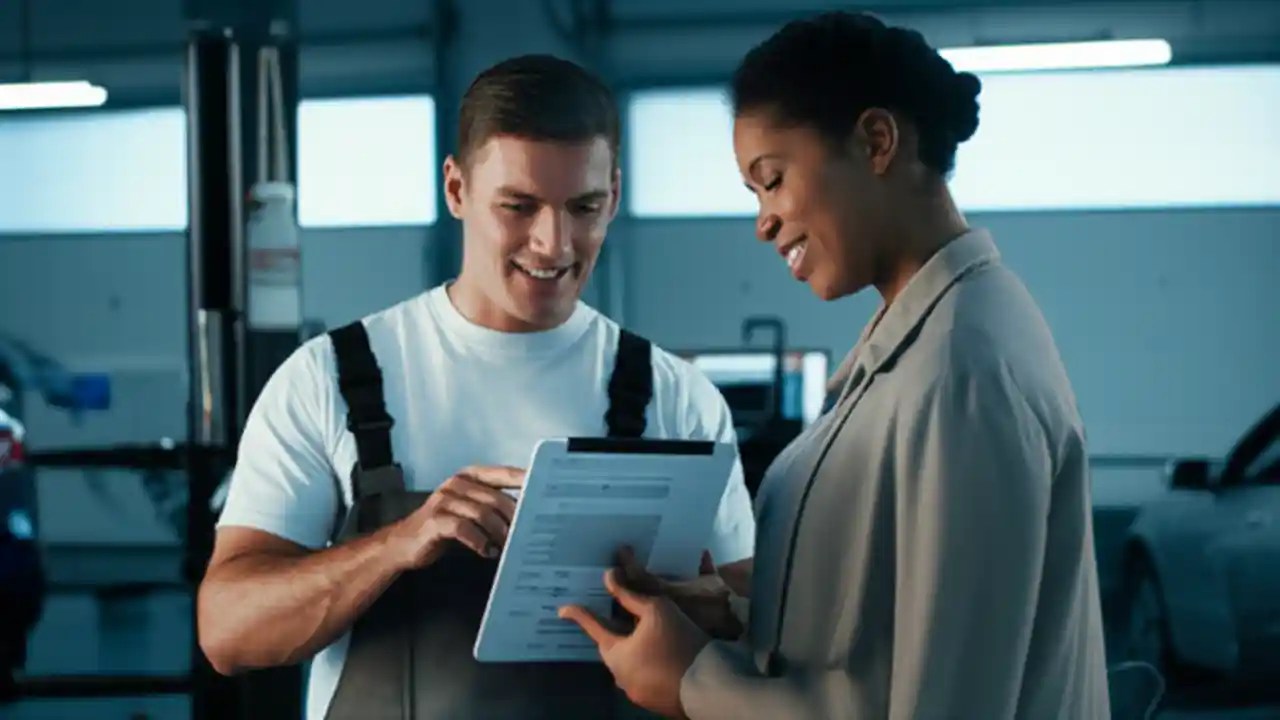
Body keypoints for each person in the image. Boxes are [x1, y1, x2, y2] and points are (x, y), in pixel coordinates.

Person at [560, 11, 1112, 719]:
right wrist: (724, 606)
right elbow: (885, 611)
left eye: (773, 179)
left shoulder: (959, 371)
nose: (762, 221)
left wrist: (695, 683)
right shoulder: (915, 347)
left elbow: (946, 701)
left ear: (876, 141)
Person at [197, 54, 756, 720]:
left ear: (615, 190)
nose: (554, 244)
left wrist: (700, 611)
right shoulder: (331, 381)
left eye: (585, 207)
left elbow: (752, 632)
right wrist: (396, 545)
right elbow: (227, 633)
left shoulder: (677, 397)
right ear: (456, 189)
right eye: (519, 207)